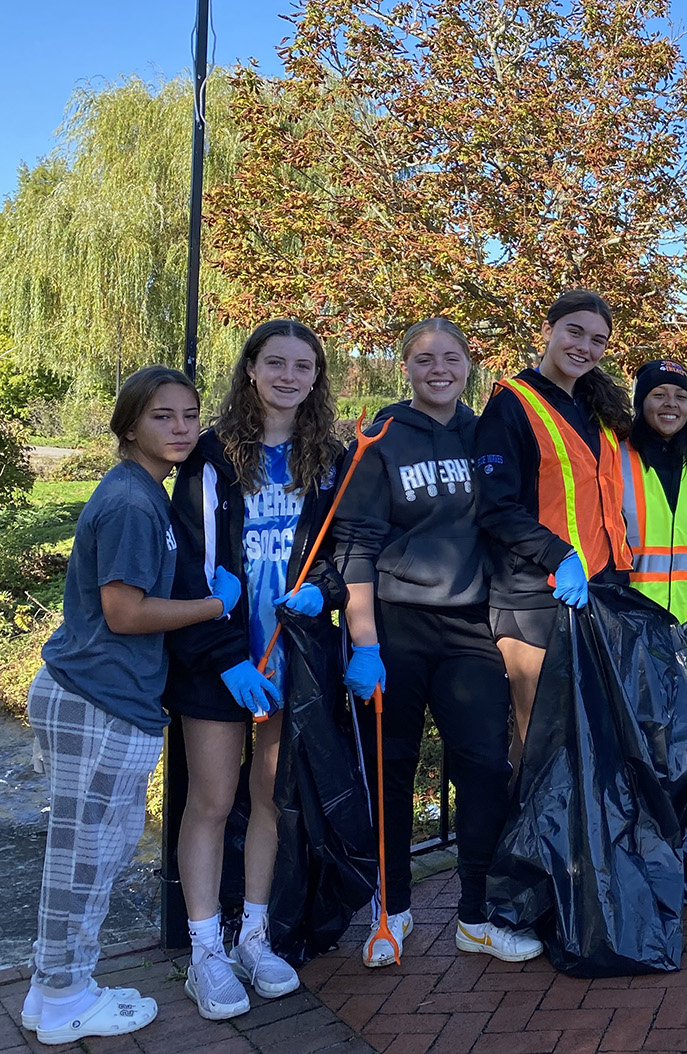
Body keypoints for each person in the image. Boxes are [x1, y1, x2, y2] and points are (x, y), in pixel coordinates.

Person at [25, 366, 234, 1045]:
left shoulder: (143, 491)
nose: (179, 428)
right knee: (84, 855)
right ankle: (61, 997)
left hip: (111, 701)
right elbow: (124, 612)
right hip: (99, 700)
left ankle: (62, 987)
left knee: (97, 851)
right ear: (129, 425)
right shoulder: (133, 503)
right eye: (161, 416)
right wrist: (216, 605)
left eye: (188, 416)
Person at [332, 318, 540, 966]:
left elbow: (510, 517)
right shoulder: (381, 439)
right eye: (425, 359)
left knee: (484, 767)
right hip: (394, 624)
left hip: (467, 623)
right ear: (407, 367)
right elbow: (355, 547)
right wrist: (362, 642)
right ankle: (390, 913)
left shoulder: (485, 435)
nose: (439, 369)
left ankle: (476, 915)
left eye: (452, 357)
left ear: (470, 364)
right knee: (390, 770)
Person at [166, 320, 345, 1018]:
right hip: (223, 660)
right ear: (249, 369)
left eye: (304, 366)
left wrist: (321, 592)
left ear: (316, 378)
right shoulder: (212, 458)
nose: (289, 376)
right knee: (211, 803)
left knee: (270, 800)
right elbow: (190, 565)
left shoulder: (325, 458)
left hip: (289, 658)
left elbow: (338, 557)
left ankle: (255, 936)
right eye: (276, 362)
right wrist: (225, 656)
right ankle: (205, 951)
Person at [474, 290, 633, 776]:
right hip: (534, 595)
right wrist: (559, 555)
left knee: (593, 733)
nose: (585, 346)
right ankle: (527, 848)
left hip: (600, 589)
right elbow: (495, 507)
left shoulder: (595, 408)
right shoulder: (511, 407)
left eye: (598, 340)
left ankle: (580, 849)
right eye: (575, 332)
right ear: (547, 331)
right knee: (538, 737)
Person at [621, 359, 687, 622]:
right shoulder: (616, 456)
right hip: (628, 617)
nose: (671, 403)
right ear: (640, 402)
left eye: (681, 396)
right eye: (659, 395)